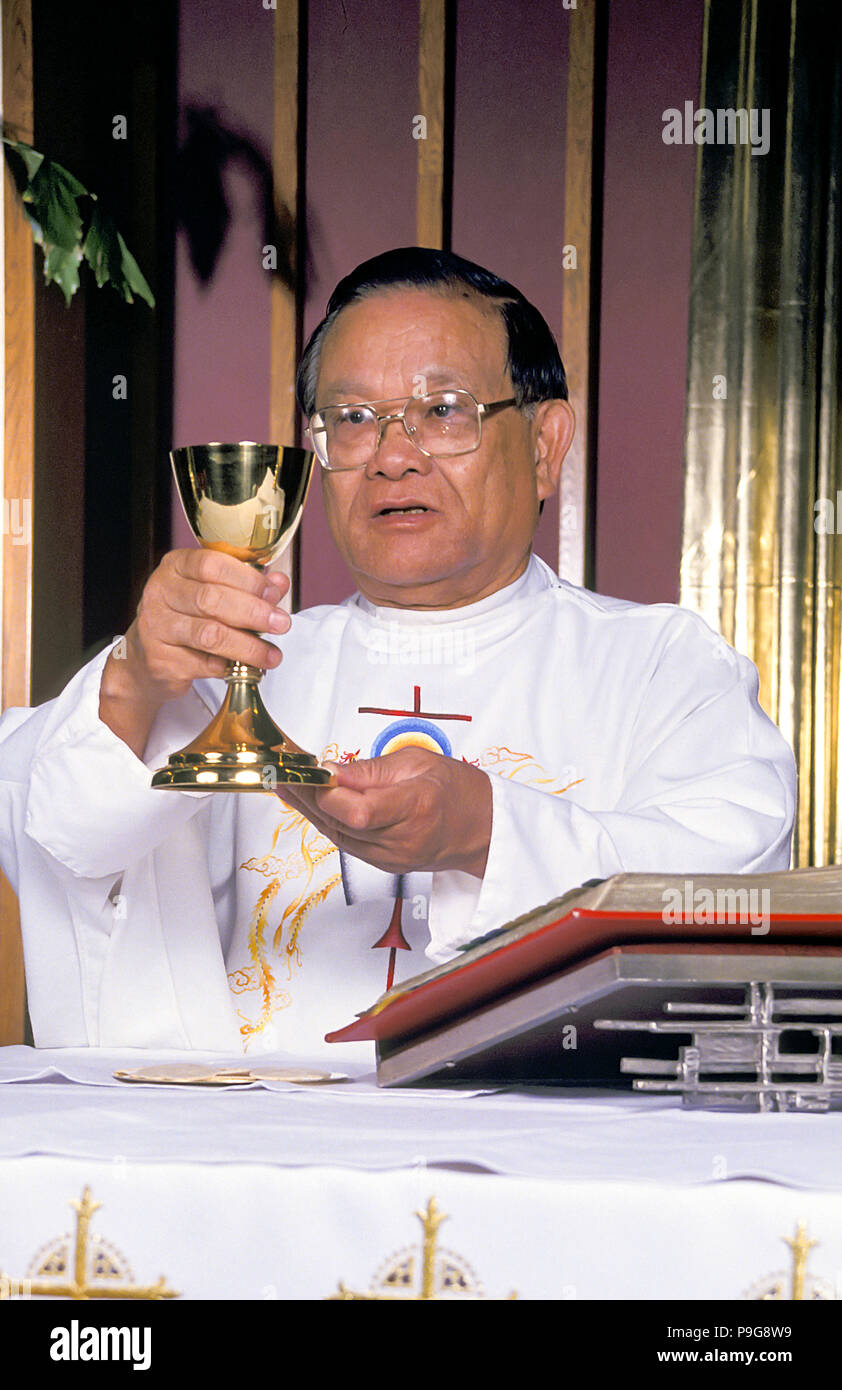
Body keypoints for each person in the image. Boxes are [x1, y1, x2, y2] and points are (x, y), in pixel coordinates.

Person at [0, 247, 796, 1062]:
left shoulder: (662, 666)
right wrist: (133, 679)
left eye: (444, 410)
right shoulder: (240, 667)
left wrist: (487, 833)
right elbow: (53, 831)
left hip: (536, 1158)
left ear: (546, 443)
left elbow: (738, 886)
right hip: (265, 1159)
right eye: (350, 419)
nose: (390, 454)